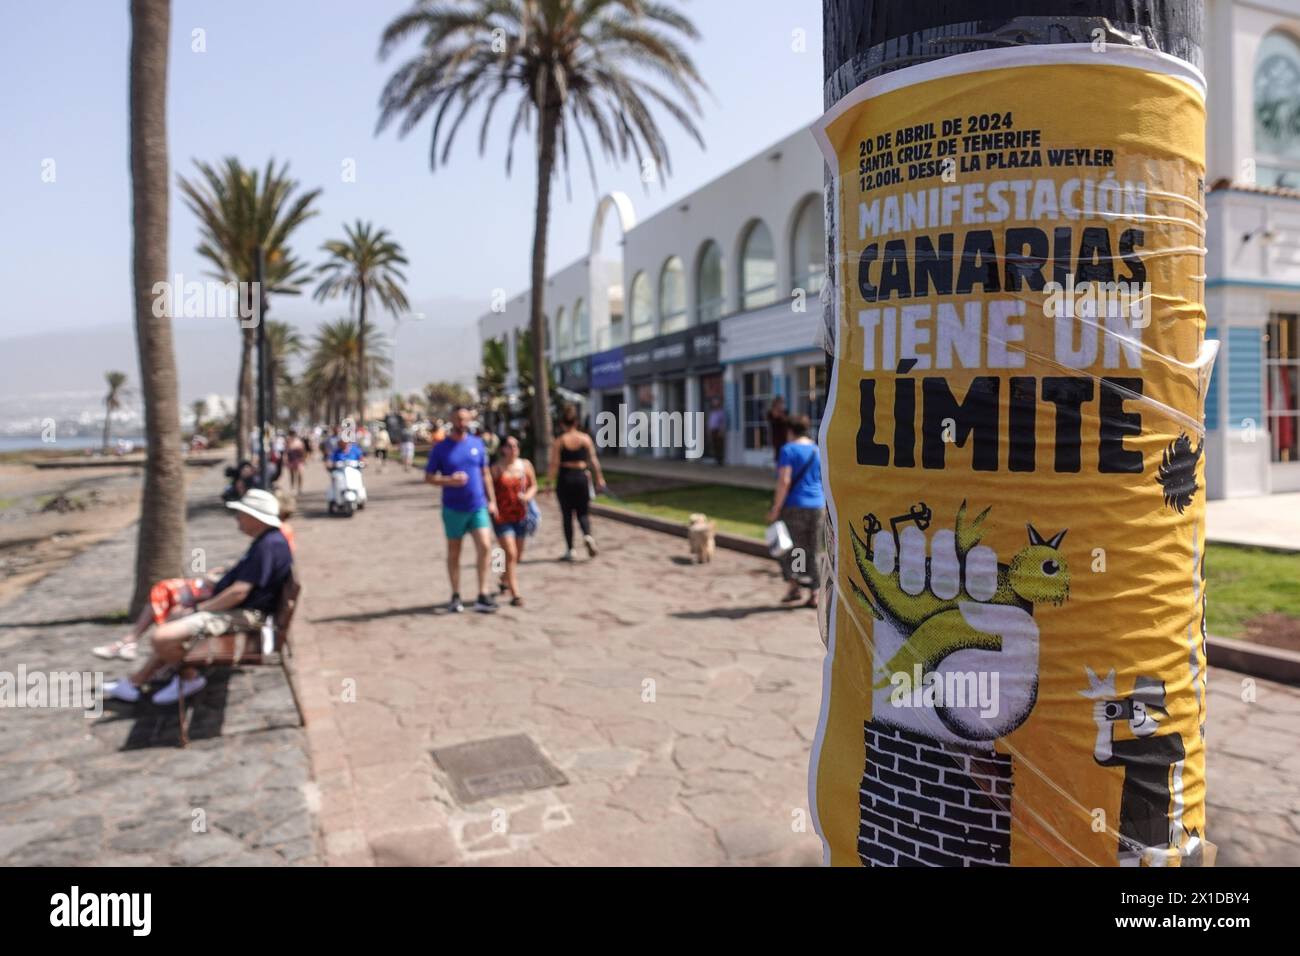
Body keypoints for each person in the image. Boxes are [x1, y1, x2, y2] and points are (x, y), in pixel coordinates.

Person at [102, 489, 294, 705]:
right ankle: (136, 681)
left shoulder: (268, 546)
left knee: (161, 638)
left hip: (246, 615)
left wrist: (200, 609)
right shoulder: (267, 541)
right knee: (174, 616)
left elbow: (239, 592)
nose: (237, 518)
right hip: (242, 610)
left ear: (255, 518)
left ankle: (188, 678)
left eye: (241, 514)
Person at [425, 406, 499, 613]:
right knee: (454, 552)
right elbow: (429, 477)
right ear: (451, 420)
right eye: (458, 419)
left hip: (478, 506)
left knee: (485, 546)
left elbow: (485, 474)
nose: (462, 423)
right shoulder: (441, 448)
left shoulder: (477, 444)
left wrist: (492, 500)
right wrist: (449, 480)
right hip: (453, 508)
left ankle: (482, 594)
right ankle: (455, 595)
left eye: (465, 419)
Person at [765, 414, 823, 608]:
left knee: (794, 549)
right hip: (817, 505)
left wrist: (776, 508)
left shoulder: (788, 450)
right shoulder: (817, 450)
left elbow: (784, 481)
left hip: (795, 505)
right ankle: (815, 592)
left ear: (790, 431)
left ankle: (794, 586)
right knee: (813, 549)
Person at [548, 404, 605, 561]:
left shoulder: (560, 441)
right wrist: (599, 477)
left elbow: (554, 464)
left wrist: (548, 481)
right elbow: (593, 460)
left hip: (565, 478)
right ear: (576, 422)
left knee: (567, 515)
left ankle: (570, 549)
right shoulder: (585, 439)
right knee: (583, 512)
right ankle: (587, 535)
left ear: (562, 423)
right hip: (581, 477)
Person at [490, 435, 538, 606]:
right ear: (502, 449)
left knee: (516, 556)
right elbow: (488, 490)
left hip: (521, 515)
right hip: (502, 517)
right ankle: (515, 594)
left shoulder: (525, 465)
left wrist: (528, 496)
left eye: (516, 445)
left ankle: (503, 578)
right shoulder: (495, 469)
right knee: (509, 553)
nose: (514, 448)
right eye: (510, 446)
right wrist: (491, 504)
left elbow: (533, 485)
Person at [767, 395, 790, 464]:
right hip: (776, 437)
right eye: (779, 403)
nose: (781, 405)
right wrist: (777, 410)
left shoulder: (785, 412)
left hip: (785, 436)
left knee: (786, 454)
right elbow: (774, 416)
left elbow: (786, 420)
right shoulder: (770, 413)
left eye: (782, 403)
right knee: (777, 456)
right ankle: (778, 470)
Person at [285, 428, 307, 493]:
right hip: (291, 459)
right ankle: (292, 488)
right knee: (292, 474)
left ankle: (300, 488)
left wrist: (303, 458)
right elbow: (286, 451)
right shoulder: (288, 441)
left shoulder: (299, 441)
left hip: (298, 460)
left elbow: (303, 450)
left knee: (300, 474)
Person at [707, 398, 727, 466]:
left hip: (718, 430)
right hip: (712, 431)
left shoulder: (721, 412)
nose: (715, 405)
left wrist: (721, 431)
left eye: (716, 403)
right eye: (714, 403)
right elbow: (710, 422)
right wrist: (709, 431)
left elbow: (722, 423)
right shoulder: (713, 412)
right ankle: (716, 460)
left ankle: (720, 461)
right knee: (714, 446)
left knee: (719, 446)